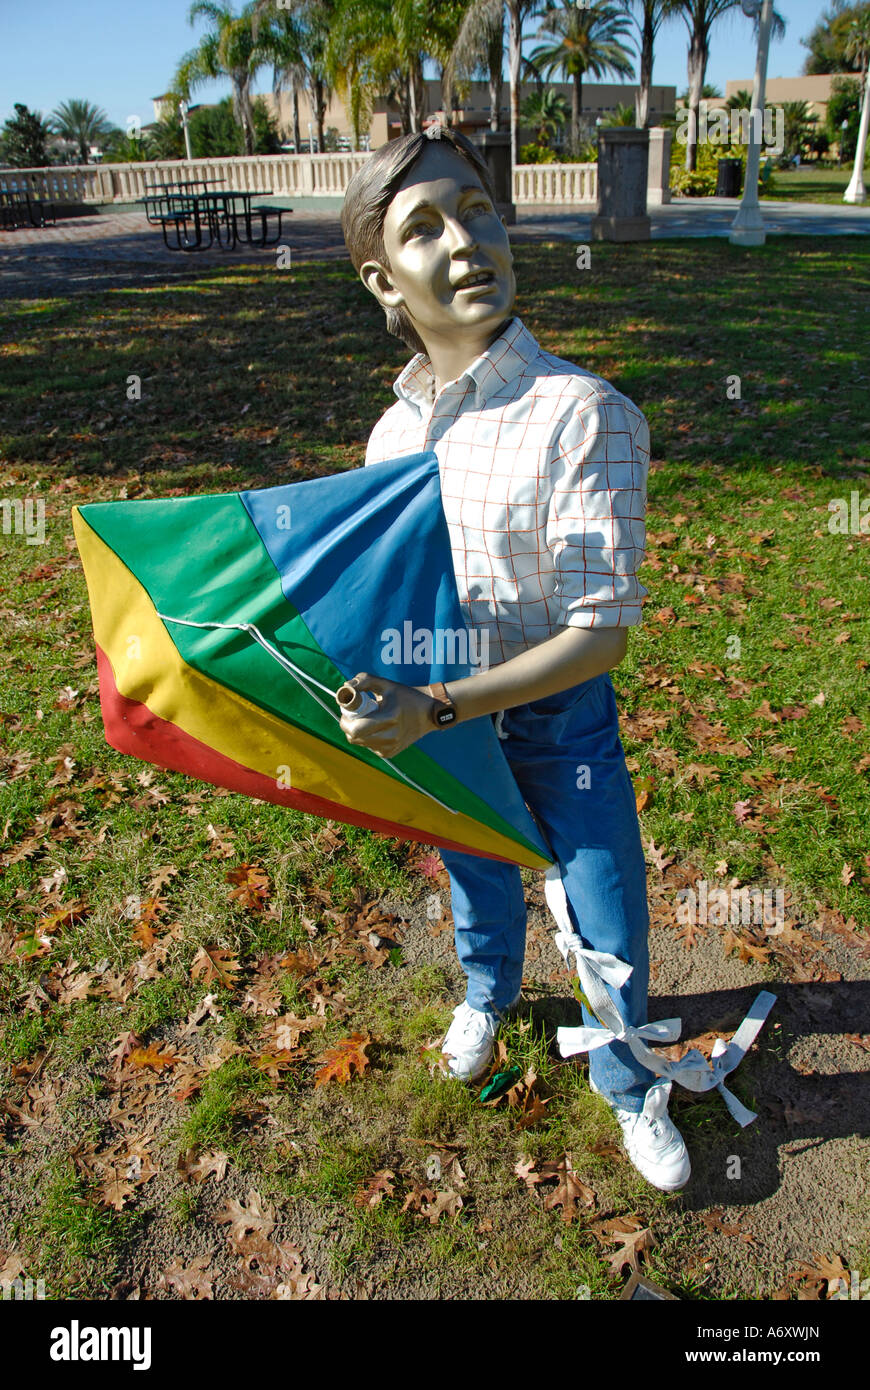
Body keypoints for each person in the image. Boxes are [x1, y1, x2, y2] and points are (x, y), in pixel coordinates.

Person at [336, 127, 690, 1191]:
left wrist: (435, 702)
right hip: (438, 704)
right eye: (424, 228)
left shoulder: (582, 415)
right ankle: (488, 993)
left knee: (604, 900)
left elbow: (601, 631)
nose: (465, 240)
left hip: (558, 714)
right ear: (382, 279)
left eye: (478, 208)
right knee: (477, 870)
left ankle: (630, 1081)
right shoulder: (389, 441)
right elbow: (386, 594)